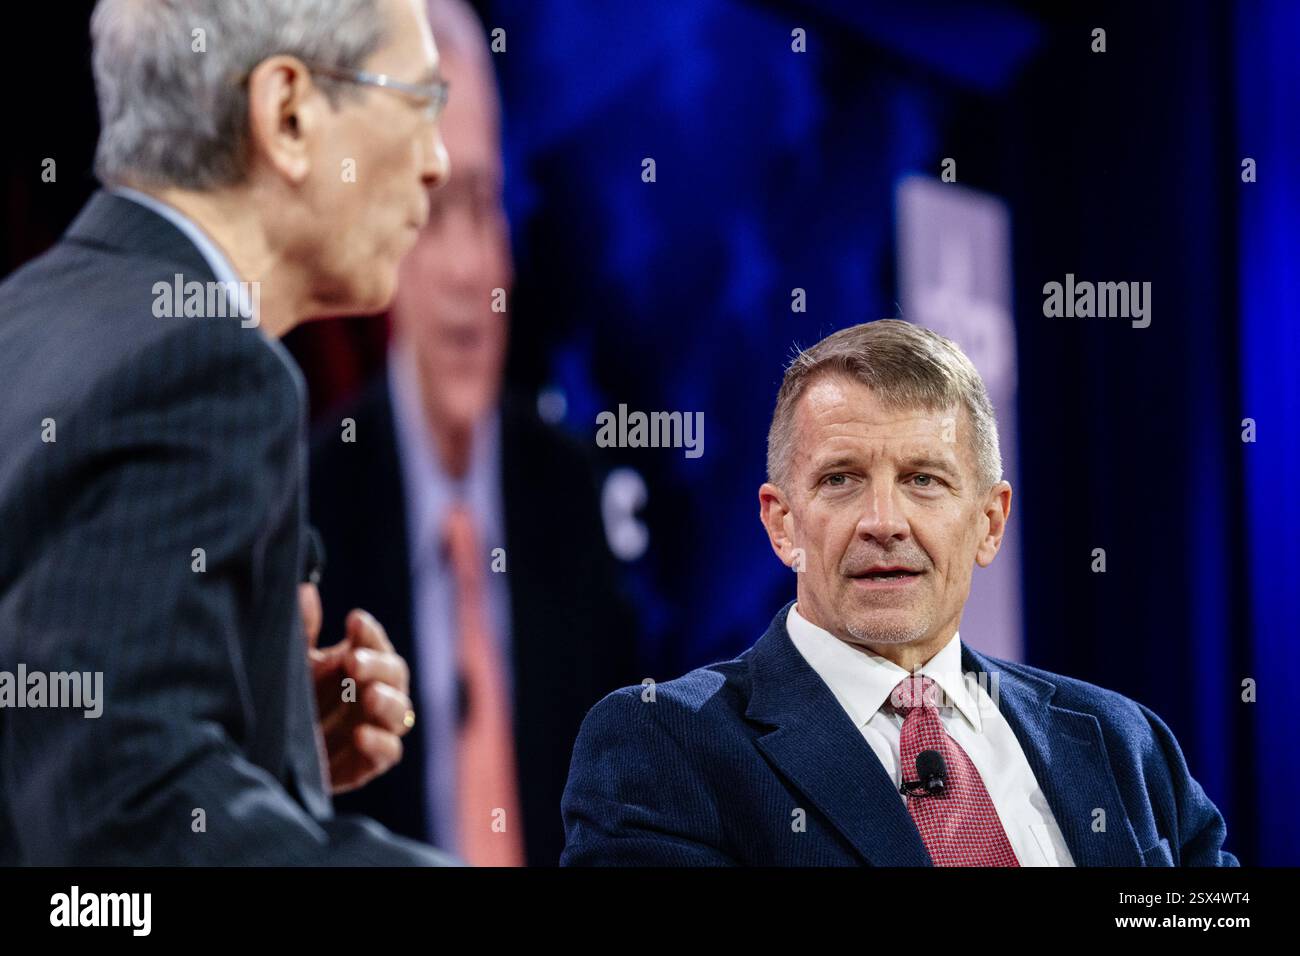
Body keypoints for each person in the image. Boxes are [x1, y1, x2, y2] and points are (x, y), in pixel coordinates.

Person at [0, 0, 456, 864]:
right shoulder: (201, 362)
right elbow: (125, 809)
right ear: (287, 114)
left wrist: (264, 747)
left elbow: (50, 745)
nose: (435, 162)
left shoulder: (25, 320)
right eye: (420, 100)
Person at [560, 319, 1238, 867]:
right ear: (782, 522)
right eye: (841, 480)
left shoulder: (1125, 745)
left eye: (923, 480)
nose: (883, 522)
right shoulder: (667, 746)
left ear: (989, 521)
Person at [311, 0, 636, 867]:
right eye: (431, 210)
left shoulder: (579, 502)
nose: (466, 268)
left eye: (484, 207)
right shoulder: (311, 499)